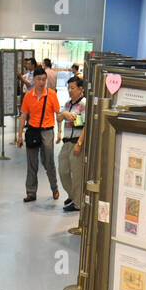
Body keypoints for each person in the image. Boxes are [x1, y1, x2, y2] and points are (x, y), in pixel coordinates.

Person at [17, 67, 60, 202]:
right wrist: (19, 136)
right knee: (32, 163)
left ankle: (54, 188)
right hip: (33, 131)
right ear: (34, 80)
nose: (41, 82)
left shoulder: (52, 94)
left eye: (43, 79)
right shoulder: (29, 96)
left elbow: (58, 114)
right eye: (39, 79)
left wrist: (59, 132)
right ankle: (31, 192)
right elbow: (23, 116)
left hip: (47, 131)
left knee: (49, 162)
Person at [58, 75, 87, 213]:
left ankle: (78, 203)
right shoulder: (68, 104)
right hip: (66, 142)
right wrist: (64, 114)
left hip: (77, 142)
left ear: (80, 89)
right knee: (63, 171)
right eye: (68, 88)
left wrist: (79, 144)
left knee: (76, 174)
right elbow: (58, 117)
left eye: (73, 88)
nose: (70, 90)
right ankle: (73, 195)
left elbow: (86, 126)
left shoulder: (84, 104)